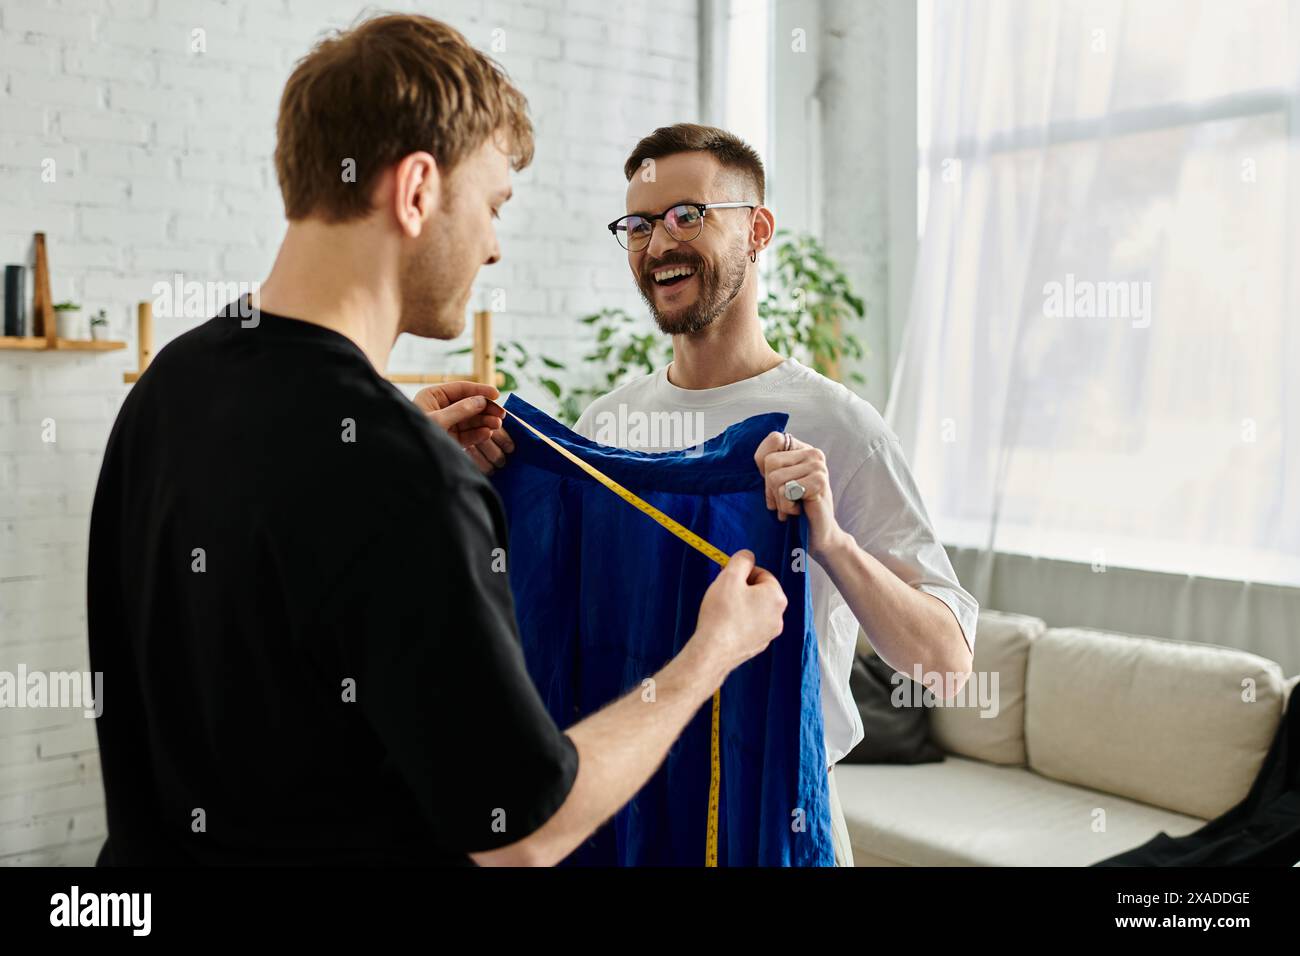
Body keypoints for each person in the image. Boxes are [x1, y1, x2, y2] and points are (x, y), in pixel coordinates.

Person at [87, 16, 787, 867]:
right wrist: (711, 655)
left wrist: (398, 452)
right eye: (492, 206)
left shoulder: (174, 383)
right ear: (418, 190)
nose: (493, 248)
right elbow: (522, 833)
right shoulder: (396, 474)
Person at [470, 124, 980, 867]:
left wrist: (831, 542)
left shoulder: (839, 427)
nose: (657, 244)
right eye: (638, 226)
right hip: (619, 806)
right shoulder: (605, 425)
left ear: (758, 229)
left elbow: (946, 665)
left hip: (773, 811)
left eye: (688, 215)